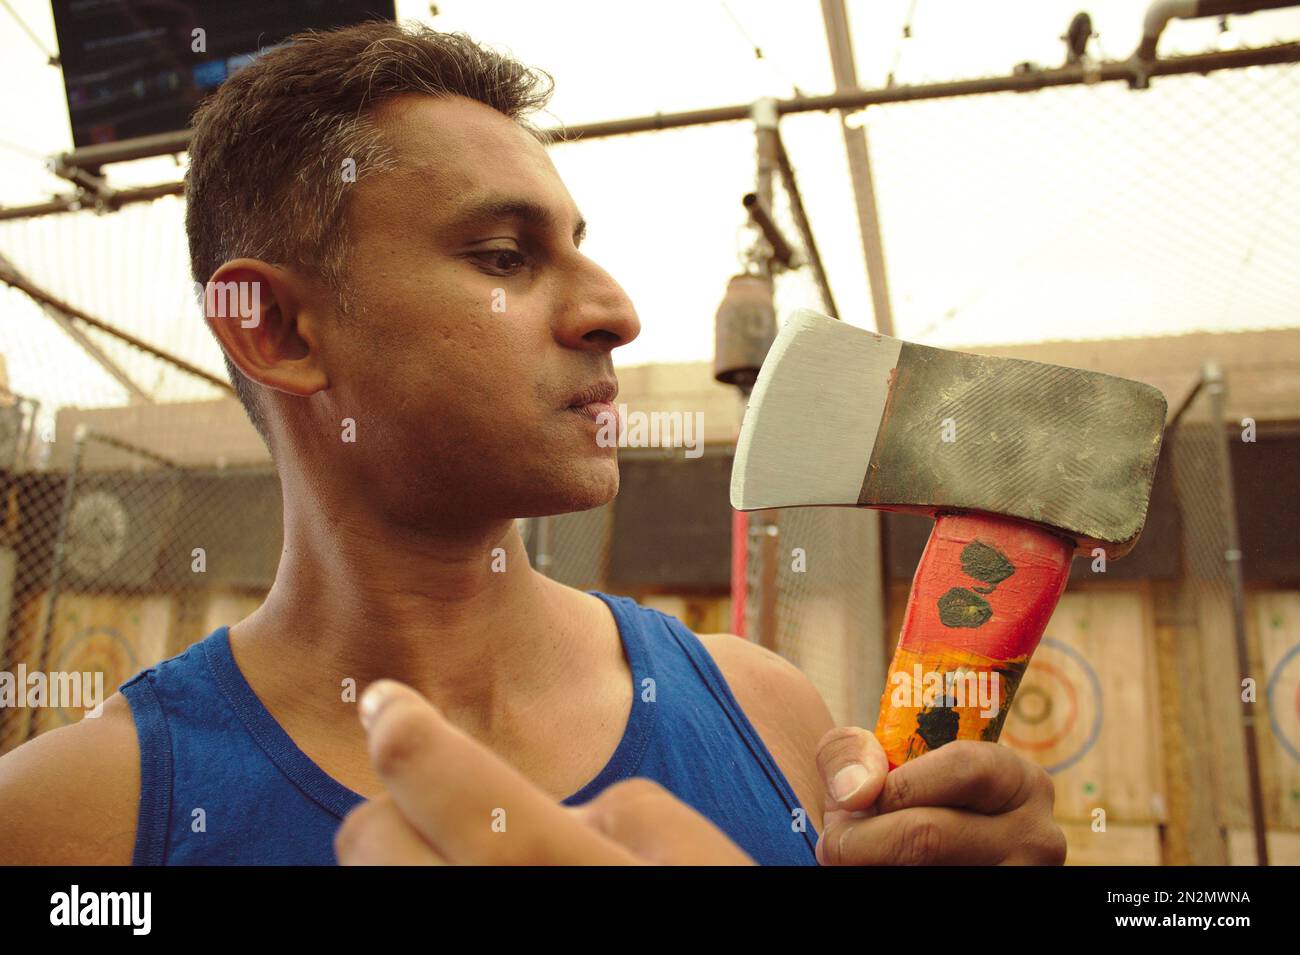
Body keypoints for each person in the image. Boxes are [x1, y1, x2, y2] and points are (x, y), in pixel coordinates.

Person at [0, 21, 1065, 866]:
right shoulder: (71, 820)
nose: (615, 309)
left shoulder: (766, 711)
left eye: (579, 248)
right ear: (274, 329)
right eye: (505, 256)